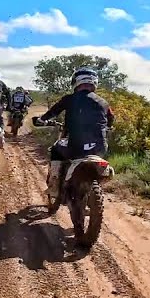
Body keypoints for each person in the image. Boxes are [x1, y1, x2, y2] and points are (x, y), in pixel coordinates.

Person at [31, 68, 114, 206]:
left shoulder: (69, 99)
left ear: (76, 82)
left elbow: (52, 112)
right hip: (99, 148)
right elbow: (111, 120)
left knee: (56, 148)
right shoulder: (104, 102)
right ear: (94, 82)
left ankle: (54, 185)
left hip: (76, 147)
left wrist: (41, 120)